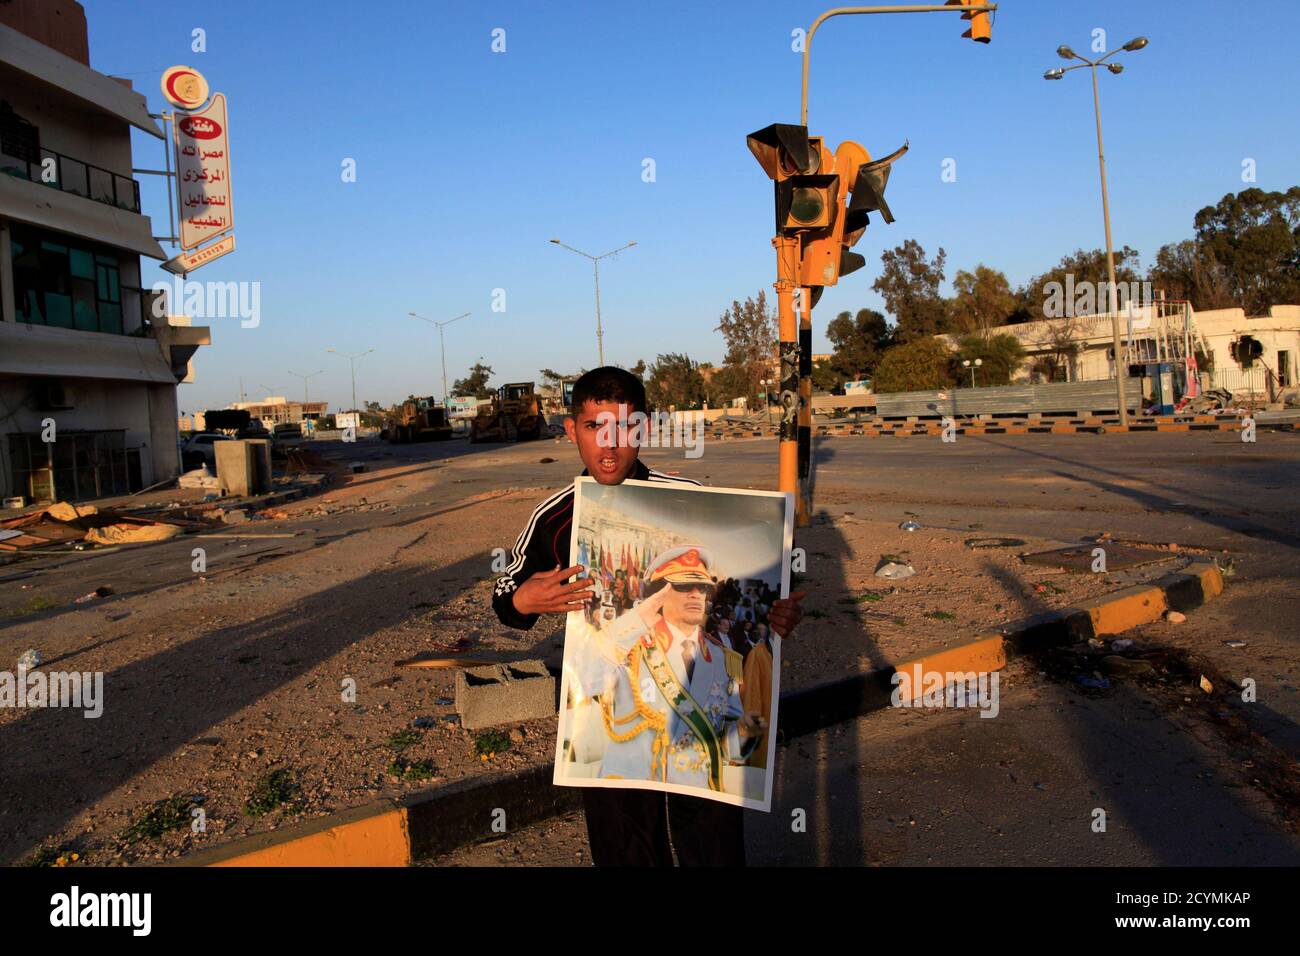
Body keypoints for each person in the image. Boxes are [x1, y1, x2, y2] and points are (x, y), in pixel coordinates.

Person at [492, 366, 803, 867]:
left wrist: (776, 619)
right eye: (594, 427)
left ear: (645, 429)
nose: (608, 445)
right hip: (613, 724)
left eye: (623, 428)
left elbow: (743, 604)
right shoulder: (555, 517)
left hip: (701, 733)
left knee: (713, 845)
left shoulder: (690, 498)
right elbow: (506, 593)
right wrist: (522, 601)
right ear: (571, 431)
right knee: (626, 847)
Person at [570, 545, 760, 791]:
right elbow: (584, 680)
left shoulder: (722, 658)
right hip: (633, 788)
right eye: (683, 586)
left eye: (702, 587)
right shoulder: (629, 644)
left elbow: (724, 747)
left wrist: (744, 731)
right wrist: (636, 620)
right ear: (659, 594)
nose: (696, 594)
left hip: (694, 792)